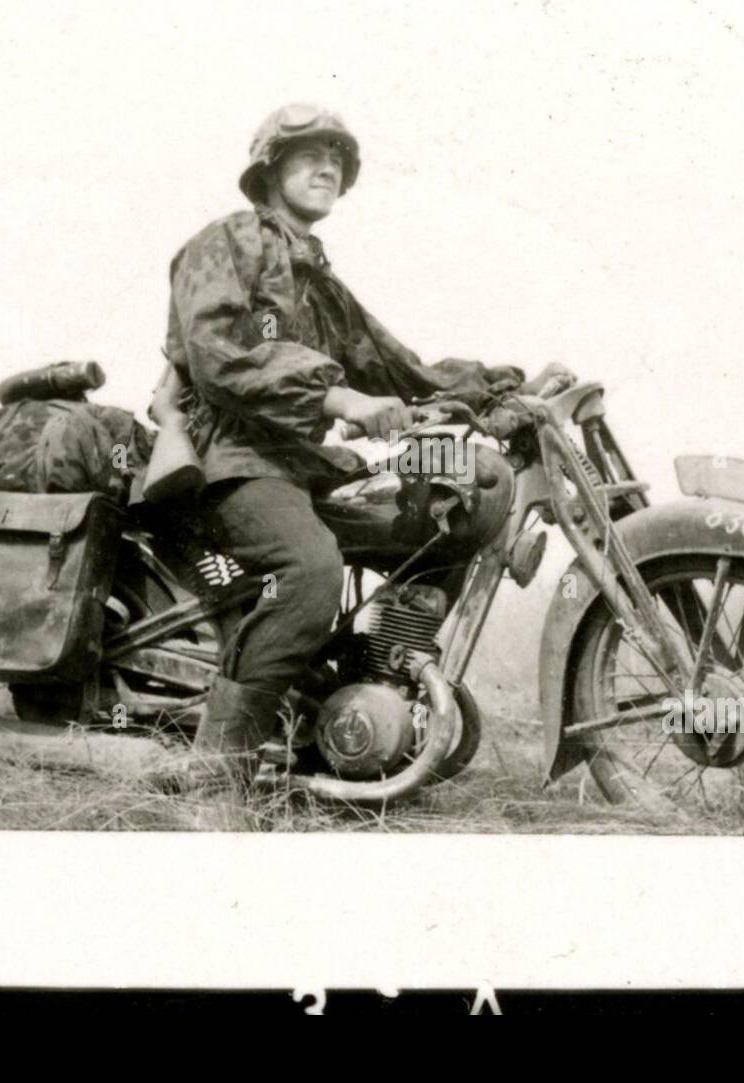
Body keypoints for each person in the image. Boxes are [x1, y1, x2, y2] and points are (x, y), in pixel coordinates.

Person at [154, 103, 573, 784]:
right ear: (269, 169)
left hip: (303, 466)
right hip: (229, 460)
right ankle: (217, 765)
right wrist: (337, 397)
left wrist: (498, 392)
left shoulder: (318, 282)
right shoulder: (225, 241)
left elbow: (397, 366)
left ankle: (378, 691)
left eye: (338, 160)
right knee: (311, 572)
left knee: (445, 520)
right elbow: (216, 352)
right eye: (308, 155)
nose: (327, 167)